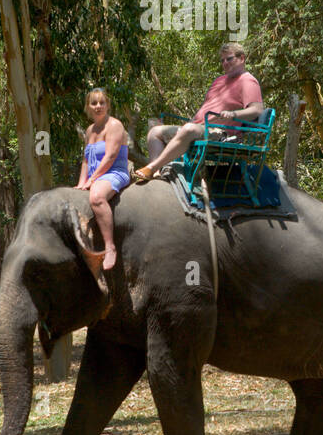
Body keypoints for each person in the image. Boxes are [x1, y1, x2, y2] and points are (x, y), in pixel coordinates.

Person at [134, 42, 264, 182]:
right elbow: (206, 107)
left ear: (242, 58)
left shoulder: (248, 81)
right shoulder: (219, 81)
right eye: (222, 60)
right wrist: (191, 122)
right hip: (199, 127)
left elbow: (257, 109)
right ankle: (157, 173)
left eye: (229, 58)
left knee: (189, 129)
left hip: (222, 133)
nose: (225, 63)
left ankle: (151, 167)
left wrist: (233, 114)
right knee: (155, 132)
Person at [77, 89, 130, 270]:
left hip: (114, 172)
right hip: (95, 176)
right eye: (94, 103)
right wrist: (80, 183)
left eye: (101, 102)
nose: (98, 106)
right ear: (88, 107)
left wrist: (91, 181)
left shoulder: (115, 125)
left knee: (96, 197)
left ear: (107, 104)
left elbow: (110, 157)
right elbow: (85, 160)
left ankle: (109, 247)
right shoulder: (89, 130)